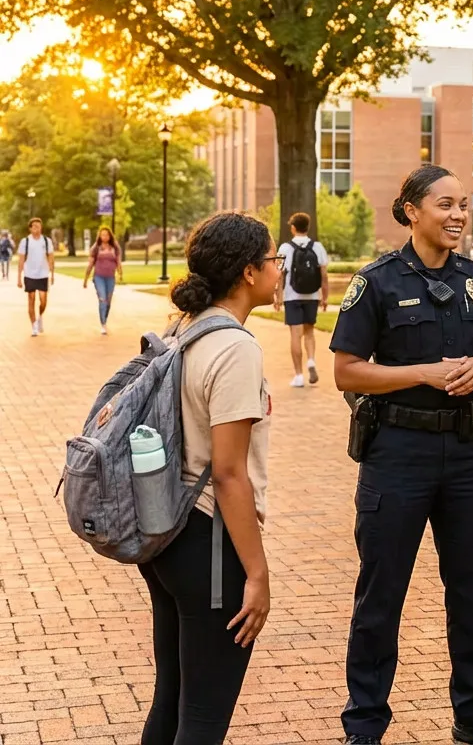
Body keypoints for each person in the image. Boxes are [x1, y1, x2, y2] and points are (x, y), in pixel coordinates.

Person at [330, 164, 473, 745]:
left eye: (464, 204)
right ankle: (364, 724)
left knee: (471, 589)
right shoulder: (377, 282)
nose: (458, 215)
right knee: (381, 594)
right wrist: (426, 374)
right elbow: (345, 371)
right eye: (445, 204)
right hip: (397, 454)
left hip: (468, 455)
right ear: (411, 210)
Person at [139, 211, 278, 745]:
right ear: (247, 273)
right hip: (209, 542)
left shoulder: (183, 329)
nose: (279, 268)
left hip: (166, 534)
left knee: (172, 700)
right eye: (272, 259)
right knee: (203, 718)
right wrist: (258, 574)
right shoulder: (236, 348)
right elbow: (228, 473)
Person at [274, 211, 329, 387]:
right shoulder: (317, 247)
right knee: (309, 331)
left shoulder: (285, 248)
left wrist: (278, 296)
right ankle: (311, 360)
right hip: (312, 295)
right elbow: (324, 275)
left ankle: (298, 375)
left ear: (293, 228)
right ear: (307, 227)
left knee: (295, 335)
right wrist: (324, 296)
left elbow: (279, 274)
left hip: (292, 296)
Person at [18, 218, 55, 336]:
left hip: (43, 273)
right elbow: (21, 259)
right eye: (34, 226)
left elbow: (51, 256)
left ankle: (40, 317)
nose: (37, 229)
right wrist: (19, 277)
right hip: (29, 273)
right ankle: (34, 326)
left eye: (38, 226)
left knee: (43, 300)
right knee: (31, 298)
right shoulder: (25, 241)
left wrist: (52, 273)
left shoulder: (46, 241)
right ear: (30, 228)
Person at [82, 226, 123, 334]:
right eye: (102, 234)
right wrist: (86, 279)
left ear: (110, 236)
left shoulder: (115, 248)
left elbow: (118, 261)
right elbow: (90, 264)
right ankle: (103, 324)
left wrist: (120, 273)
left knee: (108, 301)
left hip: (110, 277)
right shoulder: (96, 248)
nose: (105, 237)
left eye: (107, 234)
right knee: (102, 299)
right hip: (98, 277)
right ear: (99, 236)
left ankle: (104, 317)